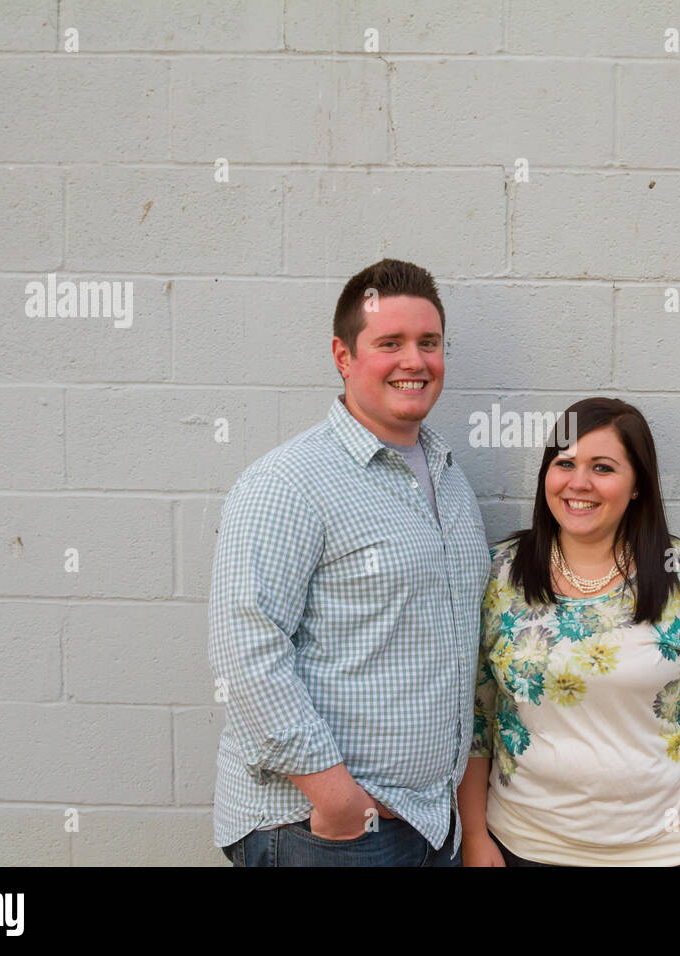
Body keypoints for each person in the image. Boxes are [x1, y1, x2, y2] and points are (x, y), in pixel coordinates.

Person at [208, 258, 490, 866]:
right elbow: (245, 649)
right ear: (343, 355)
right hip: (326, 833)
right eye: (390, 343)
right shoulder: (289, 481)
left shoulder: (448, 478)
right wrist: (334, 796)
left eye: (429, 343)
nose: (414, 361)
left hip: (424, 821)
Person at [457, 397, 680, 866]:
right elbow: (474, 717)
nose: (579, 483)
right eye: (565, 463)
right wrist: (473, 834)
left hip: (664, 851)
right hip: (522, 846)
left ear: (638, 484)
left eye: (603, 467)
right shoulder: (501, 575)